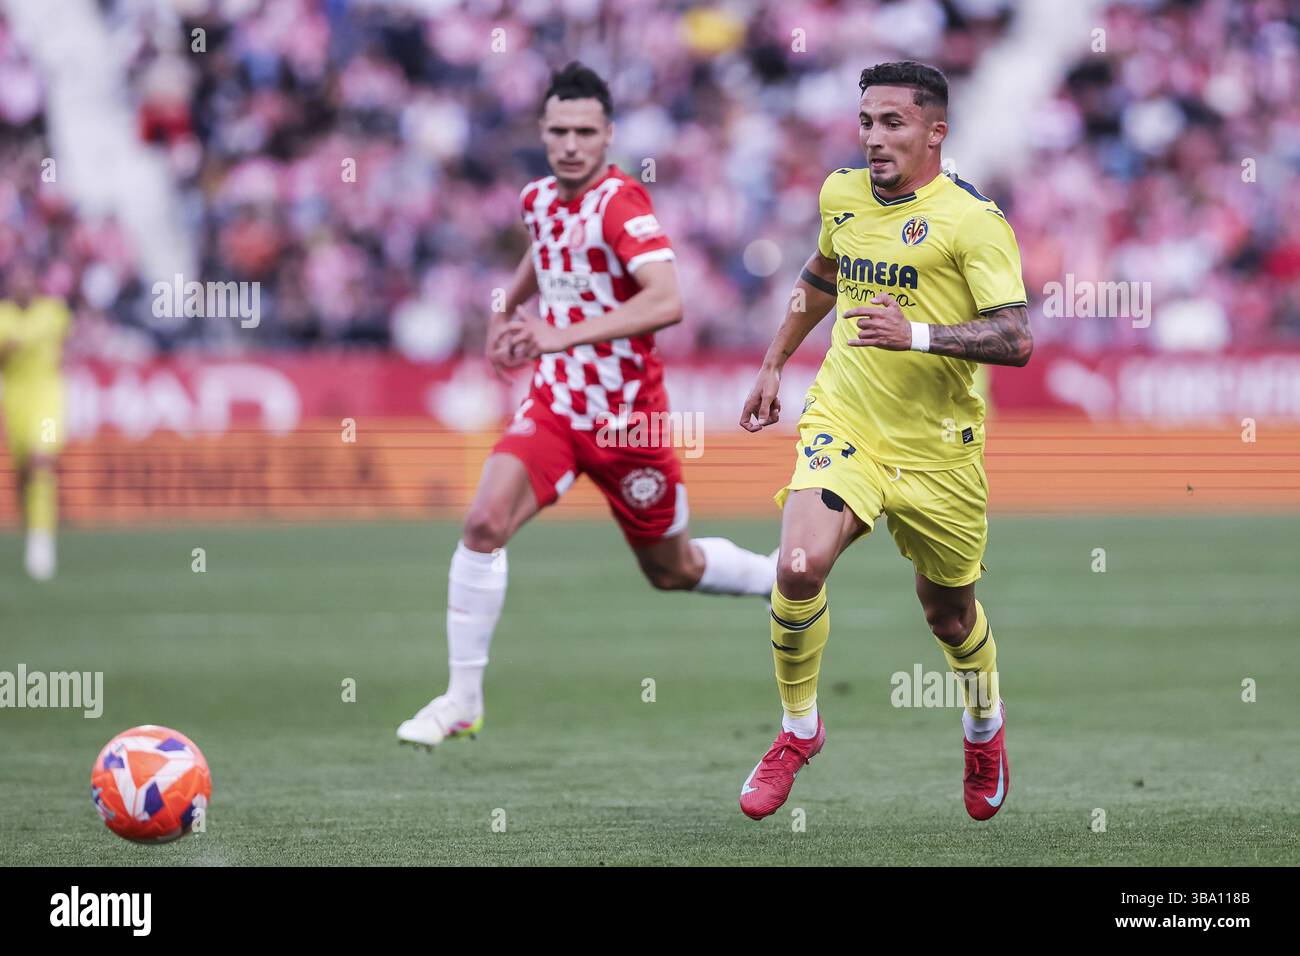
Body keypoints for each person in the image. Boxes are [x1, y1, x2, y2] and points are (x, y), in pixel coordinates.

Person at [398, 63, 775, 747]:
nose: (571, 144)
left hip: (628, 420)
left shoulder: (622, 205)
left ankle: (777, 578)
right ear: (541, 133)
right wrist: (501, 312)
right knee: (483, 524)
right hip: (555, 409)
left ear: (608, 136)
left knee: (673, 570)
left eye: (584, 132)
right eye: (558, 131)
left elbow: (667, 302)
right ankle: (461, 699)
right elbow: (541, 260)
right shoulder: (539, 198)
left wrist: (554, 333)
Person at [736, 61, 1032, 821]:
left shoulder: (973, 221)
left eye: (892, 122)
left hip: (940, 448)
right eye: (866, 120)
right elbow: (822, 275)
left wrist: (918, 333)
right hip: (848, 421)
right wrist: (774, 361)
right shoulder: (842, 194)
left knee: (949, 615)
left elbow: (1016, 336)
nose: (873, 137)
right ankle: (799, 729)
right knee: (798, 566)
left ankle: (983, 726)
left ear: (936, 132)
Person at [0, 260, 71, 581]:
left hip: (47, 399)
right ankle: (32, 529)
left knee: (42, 460)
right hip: (15, 401)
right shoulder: (2, 318)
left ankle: (42, 544)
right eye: (17, 280)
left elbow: (74, 340)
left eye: (28, 279)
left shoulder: (53, 313)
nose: (23, 286)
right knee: (24, 473)